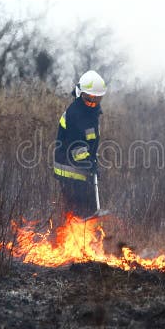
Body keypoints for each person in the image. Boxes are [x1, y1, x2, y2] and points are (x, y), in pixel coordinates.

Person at [54, 70, 106, 219]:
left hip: (81, 166)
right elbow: (76, 147)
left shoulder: (91, 113)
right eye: (89, 98)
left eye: (97, 99)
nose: (92, 102)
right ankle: (76, 238)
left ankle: (88, 238)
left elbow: (89, 141)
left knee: (89, 211)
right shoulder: (75, 114)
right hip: (69, 167)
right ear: (80, 93)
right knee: (78, 212)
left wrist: (92, 161)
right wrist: (89, 163)